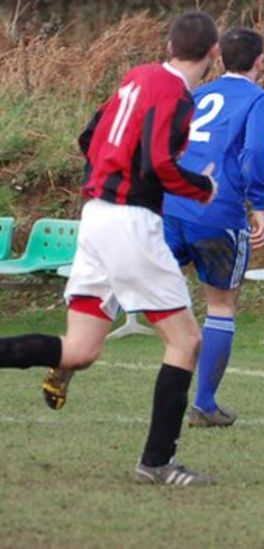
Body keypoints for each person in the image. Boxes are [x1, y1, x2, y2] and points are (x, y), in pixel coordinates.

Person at [0, 12, 220, 485]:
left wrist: (110, 175)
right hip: (128, 221)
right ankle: (157, 462)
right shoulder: (177, 96)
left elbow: (87, 137)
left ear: (168, 44)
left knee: (78, 350)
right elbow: (158, 161)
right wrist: (202, 187)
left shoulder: (136, 78)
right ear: (213, 54)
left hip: (96, 216)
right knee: (185, 341)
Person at [164, 27, 264, 427]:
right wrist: (260, 206)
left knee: (138, 282)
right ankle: (205, 404)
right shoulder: (261, 100)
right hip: (218, 211)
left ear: (219, 58)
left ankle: (71, 352)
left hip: (173, 204)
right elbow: (254, 150)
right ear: (260, 61)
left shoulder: (196, 94)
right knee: (220, 304)